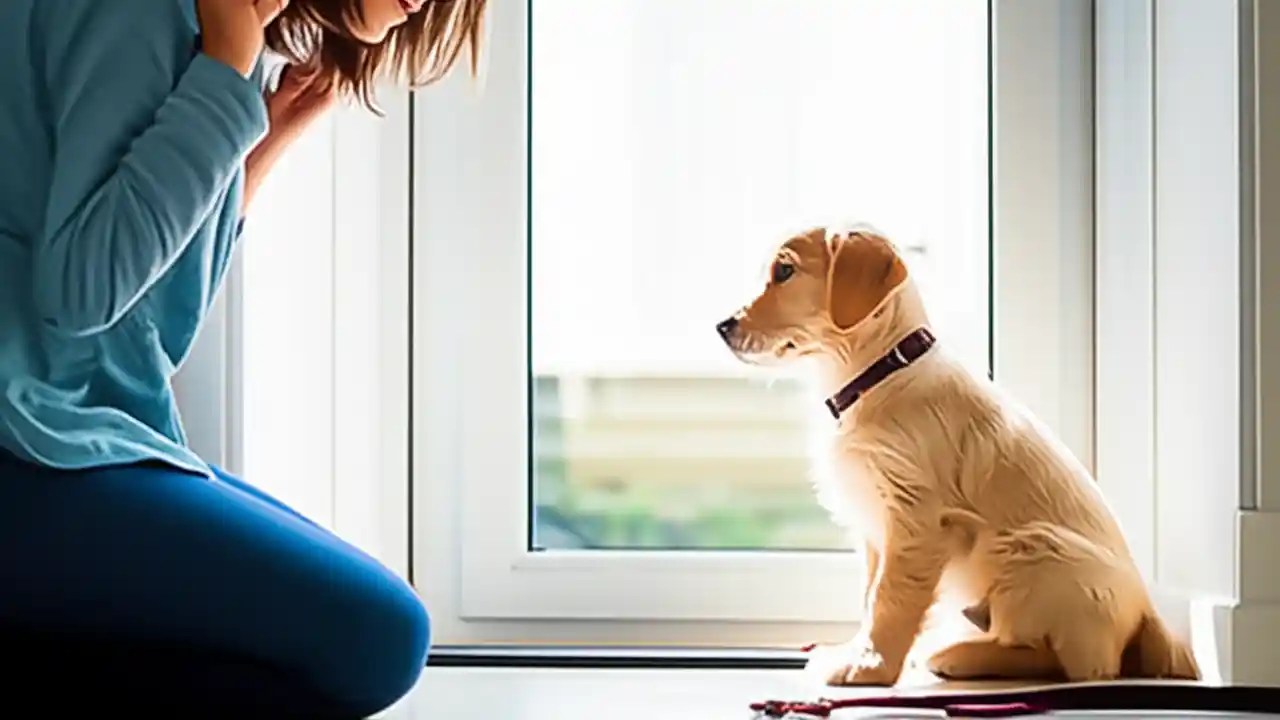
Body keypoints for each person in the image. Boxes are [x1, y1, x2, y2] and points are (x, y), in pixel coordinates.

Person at [0, 0, 485, 716]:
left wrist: (253, 145)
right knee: (376, 637)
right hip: (27, 449)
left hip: (66, 433)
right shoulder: (145, 15)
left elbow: (143, 313)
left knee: (364, 632)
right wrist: (224, 76)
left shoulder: (219, 26)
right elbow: (81, 293)